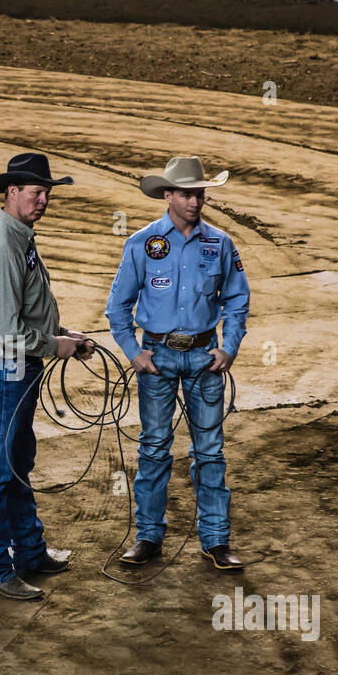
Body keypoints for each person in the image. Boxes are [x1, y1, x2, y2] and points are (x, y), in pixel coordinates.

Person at [104, 156, 250, 572]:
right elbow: (117, 307)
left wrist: (230, 347)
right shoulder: (142, 244)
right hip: (158, 356)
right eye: (187, 193)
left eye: (200, 193)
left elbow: (238, 299)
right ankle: (148, 536)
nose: (195, 201)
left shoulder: (220, 243)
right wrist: (133, 352)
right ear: (167, 195)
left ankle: (216, 541)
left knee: (210, 451)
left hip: (206, 358)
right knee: (153, 448)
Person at [0, 152, 92, 600]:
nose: (43, 199)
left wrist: (62, 333)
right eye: (35, 192)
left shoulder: (19, 236)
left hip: (14, 368)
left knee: (17, 464)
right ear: (12, 191)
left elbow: (23, 312)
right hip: (4, 368)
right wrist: (55, 346)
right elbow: (4, 331)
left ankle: (29, 551)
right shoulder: (3, 247)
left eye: (47, 192)